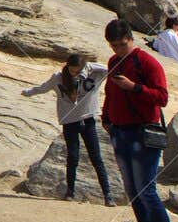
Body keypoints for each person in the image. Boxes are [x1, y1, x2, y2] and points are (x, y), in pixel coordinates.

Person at [101, 18, 178, 222]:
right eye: (113, 46)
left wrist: (135, 88)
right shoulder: (114, 62)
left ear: (131, 39)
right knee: (134, 192)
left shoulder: (147, 62)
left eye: (122, 45)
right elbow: (111, 93)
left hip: (143, 133)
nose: (118, 50)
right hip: (120, 132)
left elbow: (163, 98)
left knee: (147, 191)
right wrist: (107, 117)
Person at [22, 53, 114, 205]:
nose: (75, 74)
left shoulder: (93, 74)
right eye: (72, 70)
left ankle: (108, 195)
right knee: (72, 157)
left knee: (96, 157)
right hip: (70, 122)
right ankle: (70, 192)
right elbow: (42, 88)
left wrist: (89, 66)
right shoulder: (59, 78)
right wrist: (28, 92)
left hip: (88, 120)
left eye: (78, 71)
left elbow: (110, 68)